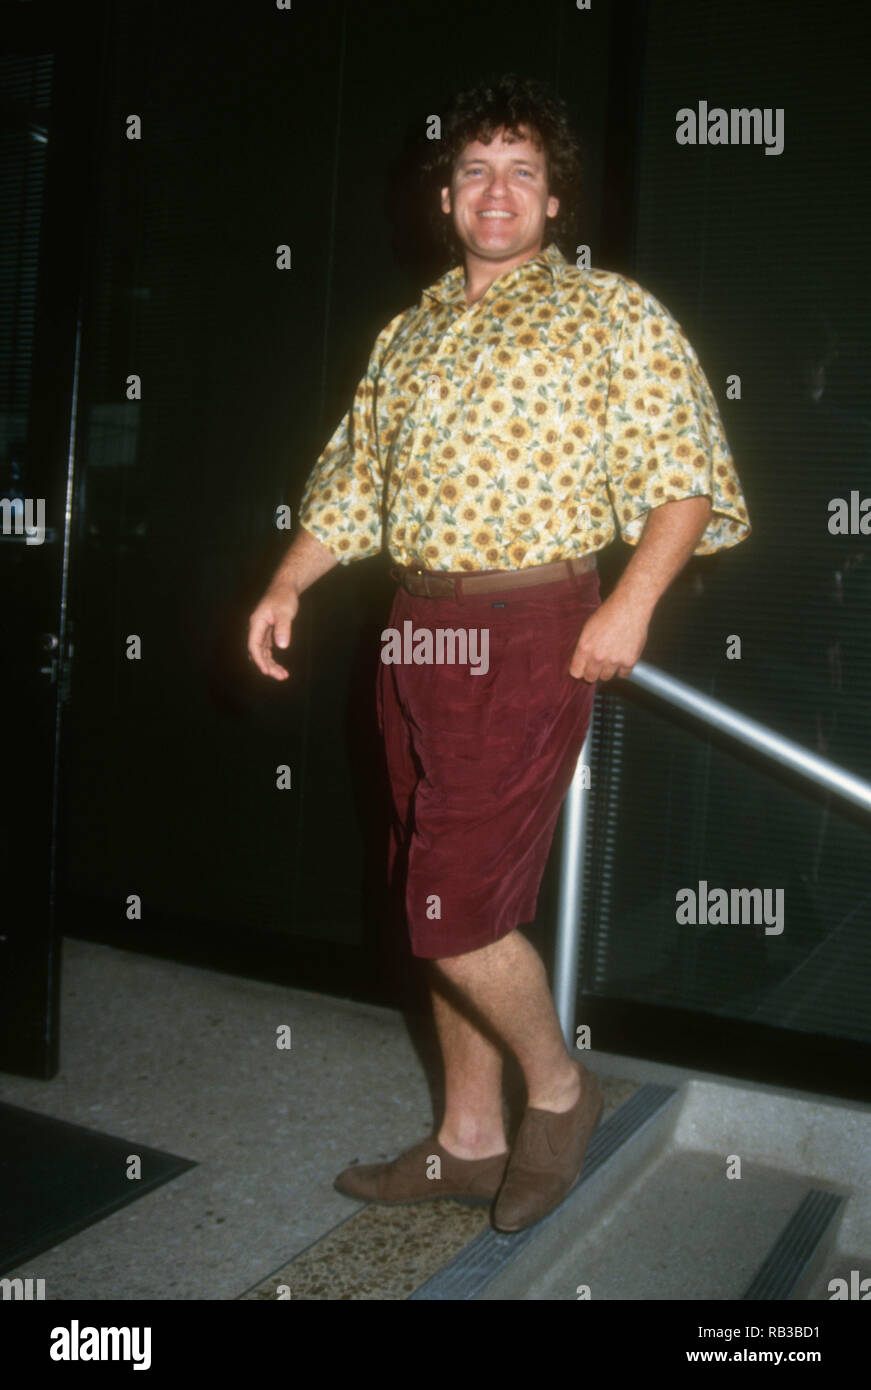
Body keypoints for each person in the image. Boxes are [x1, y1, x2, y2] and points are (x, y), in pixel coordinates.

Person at [247, 75, 751, 1233]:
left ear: (553, 201)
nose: (497, 189)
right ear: (444, 195)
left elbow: (682, 476)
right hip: (412, 628)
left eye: (522, 169)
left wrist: (630, 604)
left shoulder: (607, 314)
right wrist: (285, 581)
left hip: (529, 627)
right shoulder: (409, 331)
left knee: (454, 907)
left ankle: (559, 1090)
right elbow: (354, 485)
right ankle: (467, 1139)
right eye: (475, 167)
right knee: (421, 882)